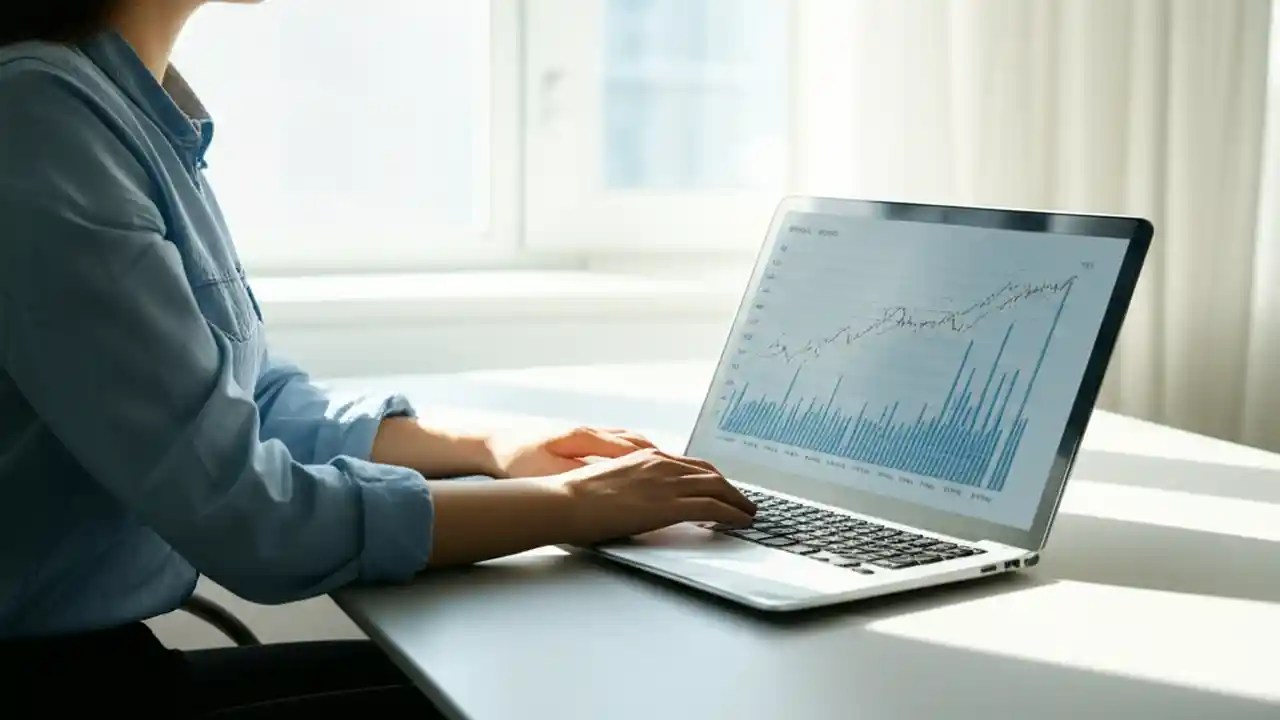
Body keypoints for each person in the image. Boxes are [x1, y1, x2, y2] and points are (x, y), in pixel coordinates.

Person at [0, 1, 757, 716]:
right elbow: (249, 518)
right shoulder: (42, 122)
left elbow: (248, 399)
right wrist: (574, 508)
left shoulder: (125, 108)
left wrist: (493, 447)